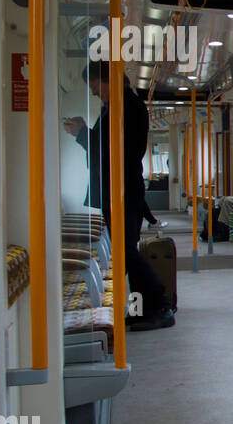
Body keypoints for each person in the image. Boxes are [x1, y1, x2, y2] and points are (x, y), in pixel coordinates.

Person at [63, 62, 175, 330]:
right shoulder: (118, 107)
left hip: (121, 192)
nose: (94, 93)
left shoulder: (126, 108)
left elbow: (115, 153)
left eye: (95, 87)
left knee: (126, 253)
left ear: (109, 81)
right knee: (125, 253)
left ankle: (159, 304)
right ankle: (140, 311)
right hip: (119, 191)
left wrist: (82, 134)